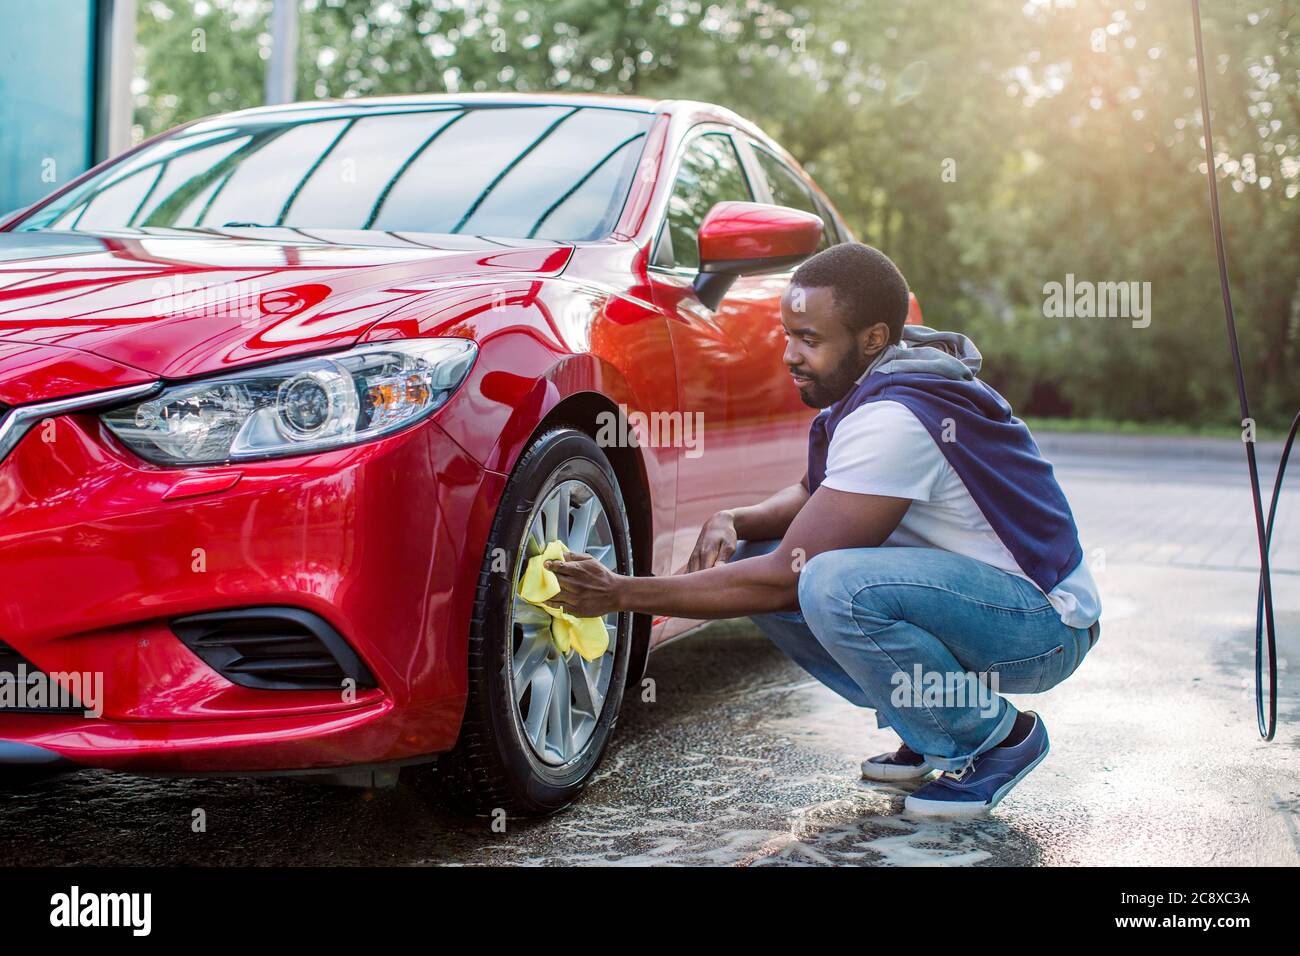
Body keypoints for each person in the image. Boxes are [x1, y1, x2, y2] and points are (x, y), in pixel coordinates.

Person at [544, 242, 1101, 817]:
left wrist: (620, 593)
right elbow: (816, 494)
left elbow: (785, 580)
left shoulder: (897, 417)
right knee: (766, 551)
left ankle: (998, 738)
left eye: (809, 339)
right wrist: (735, 518)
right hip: (992, 604)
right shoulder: (882, 380)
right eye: (788, 334)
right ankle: (931, 724)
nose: (789, 354)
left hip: (1042, 628)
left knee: (831, 583)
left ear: (873, 339)